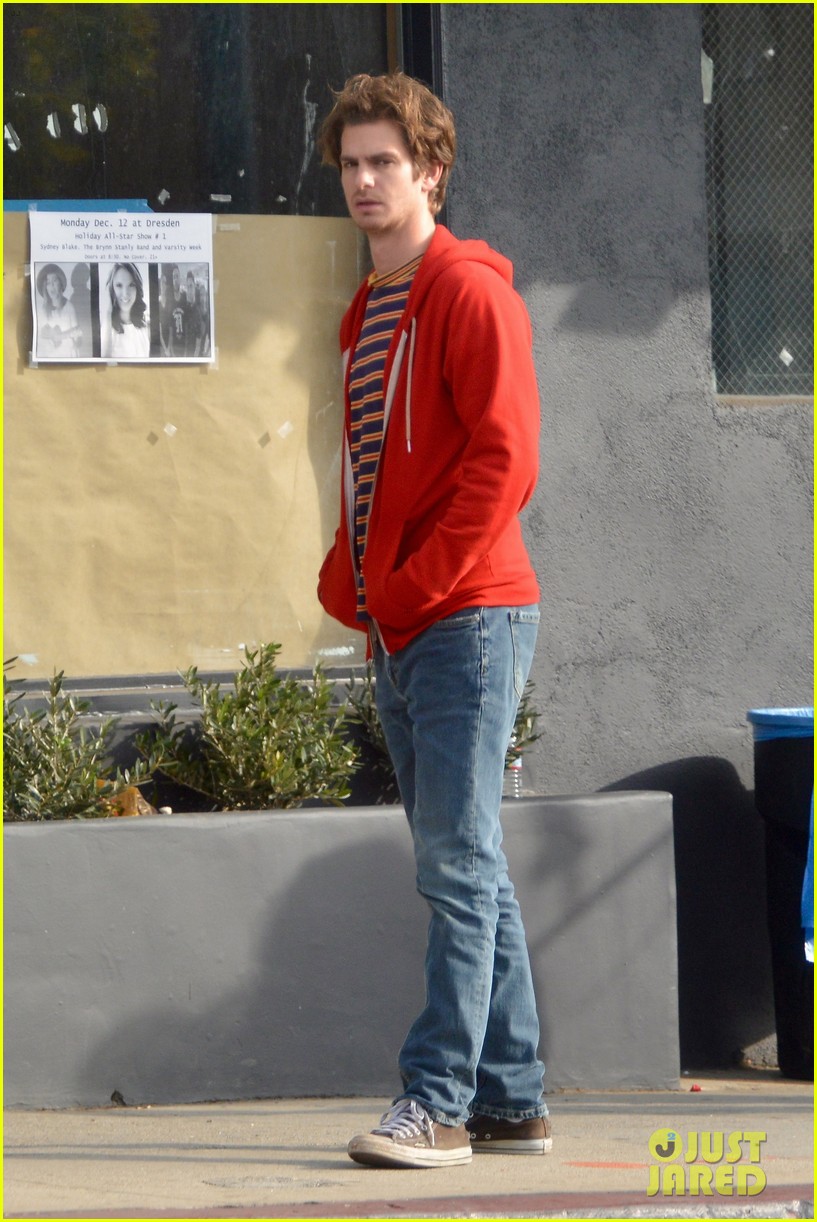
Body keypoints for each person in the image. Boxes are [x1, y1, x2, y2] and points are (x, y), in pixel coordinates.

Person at [316, 71, 551, 1170]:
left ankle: (438, 1103)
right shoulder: (368, 313)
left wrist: (409, 585)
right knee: (469, 864)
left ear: (430, 175)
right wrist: (353, 575)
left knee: (455, 865)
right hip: (403, 623)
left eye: (384, 164)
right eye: (352, 164)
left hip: (467, 616)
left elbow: (504, 462)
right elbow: (375, 469)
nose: (365, 182)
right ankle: (513, 1099)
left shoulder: (467, 294)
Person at [101, 262, 150, 359]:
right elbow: (103, 365)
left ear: (137, 288)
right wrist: (108, 313)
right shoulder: (107, 328)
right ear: (112, 290)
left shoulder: (147, 326)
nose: (125, 293)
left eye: (131, 285)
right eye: (119, 285)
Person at [36, 264, 83, 358]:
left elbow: (78, 335)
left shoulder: (69, 307)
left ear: (61, 283)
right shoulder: (43, 310)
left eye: (54, 281)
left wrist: (75, 337)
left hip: (69, 355)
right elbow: (41, 335)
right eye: (48, 283)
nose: (51, 286)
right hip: (51, 357)